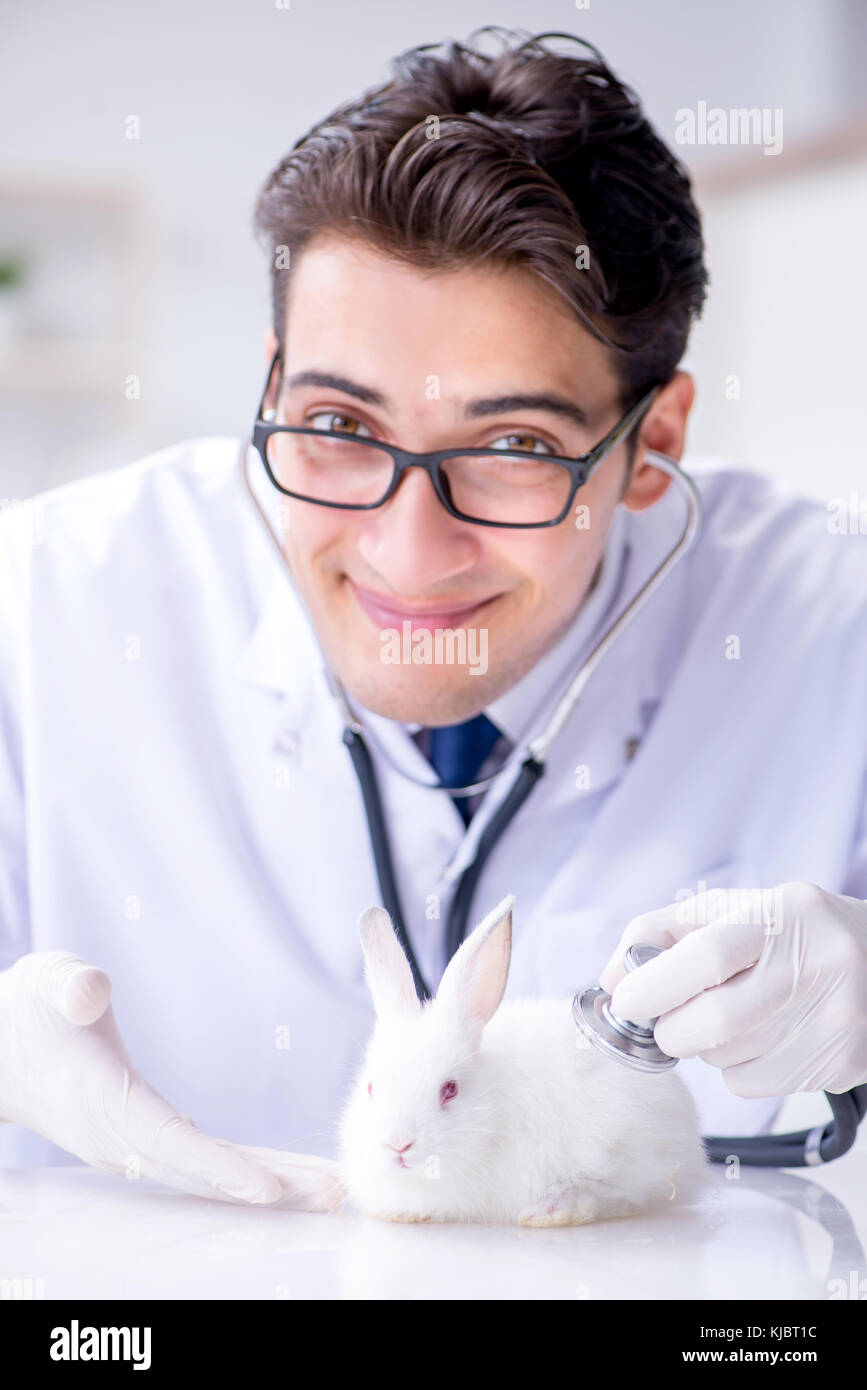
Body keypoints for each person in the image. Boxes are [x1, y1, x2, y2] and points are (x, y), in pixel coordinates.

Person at [1, 28, 865, 1208]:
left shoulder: (837, 622)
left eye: (513, 448)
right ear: (271, 384)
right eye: (341, 426)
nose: (408, 550)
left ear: (653, 443)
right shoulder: (37, 606)